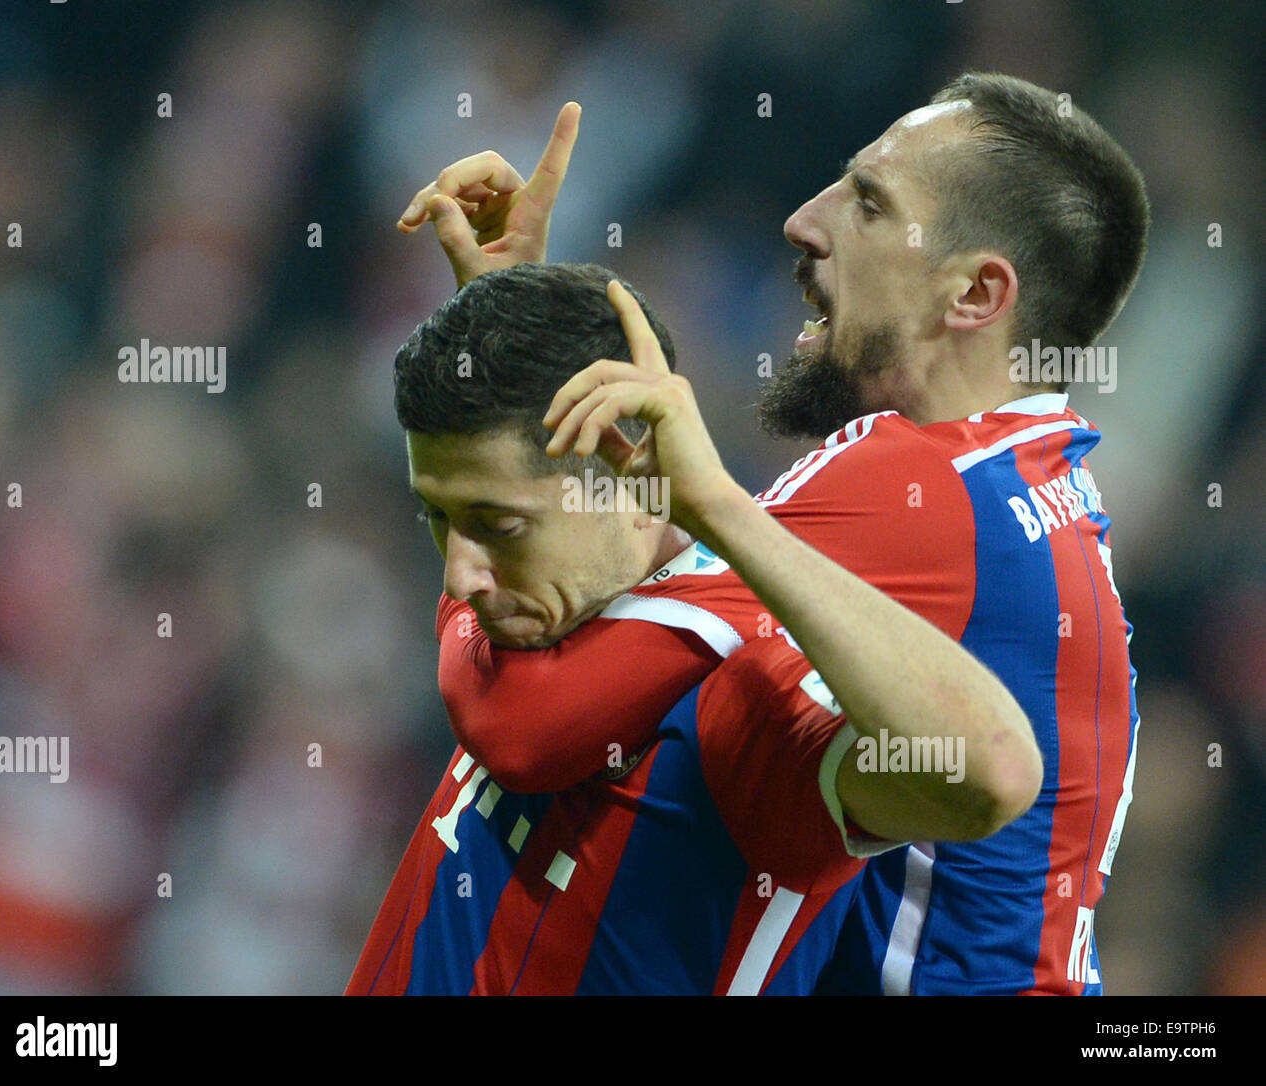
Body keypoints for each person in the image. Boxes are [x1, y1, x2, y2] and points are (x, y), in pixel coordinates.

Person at [398, 72, 1149, 994]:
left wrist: (483, 528)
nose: (805, 219)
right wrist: (514, 352)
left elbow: (529, 722)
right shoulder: (1035, 486)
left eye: (868, 203)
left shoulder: (912, 480)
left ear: (976, 295)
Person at [346, 262, 1040, 995]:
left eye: (500, 526)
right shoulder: (525, 622)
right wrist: (506, 313)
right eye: (440, 518)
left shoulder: (750, 692)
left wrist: (721, 507)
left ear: (635, 478)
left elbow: (994, 776)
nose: (459, 580)